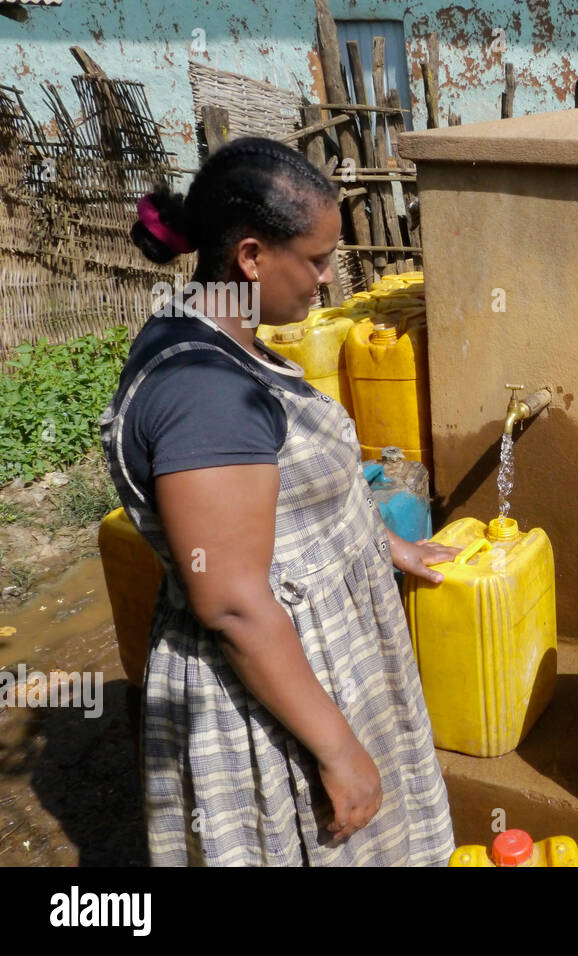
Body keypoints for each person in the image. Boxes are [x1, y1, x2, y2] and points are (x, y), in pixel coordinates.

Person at [101, 137, 457, 865]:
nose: (328, 280)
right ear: (253, 257)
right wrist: (336, 747)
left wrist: (378, 543)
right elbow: (232, 601)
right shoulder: (205, 393)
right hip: (268, 700)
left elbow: (280, 498)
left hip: (311, 661)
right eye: (317, 259)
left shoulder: (224, 335)